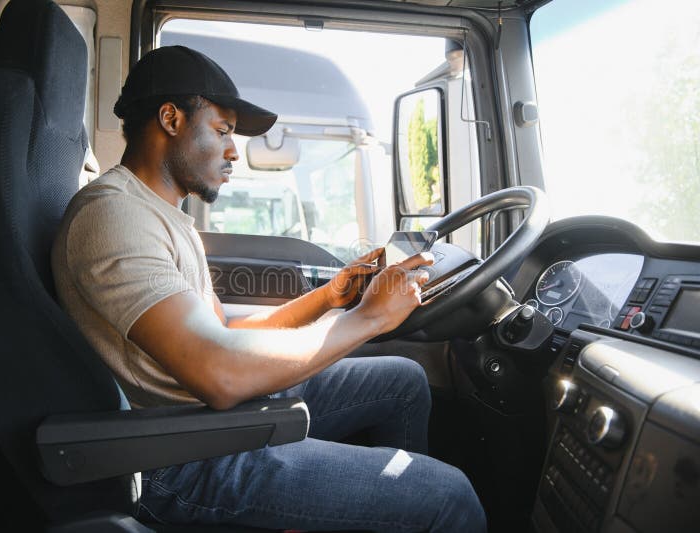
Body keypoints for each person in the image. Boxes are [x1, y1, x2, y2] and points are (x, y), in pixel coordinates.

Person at [51, 45, 485, 532]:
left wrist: (330, 298)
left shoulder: (161, 215)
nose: (234, 151)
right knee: (449, 497)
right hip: (175, 455)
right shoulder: (113, 216)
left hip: (205, 419)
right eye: (222, 132)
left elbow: (222, 334)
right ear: (170, 118)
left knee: (404, 383)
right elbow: (220, 373)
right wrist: (369, 318)